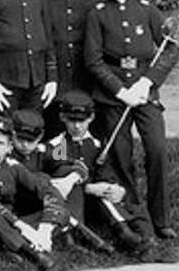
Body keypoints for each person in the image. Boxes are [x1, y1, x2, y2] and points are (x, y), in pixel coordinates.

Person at [83, 0, 179, 239]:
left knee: (157, 149)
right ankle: (135, 215)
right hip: (112, 96)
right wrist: (119, 90)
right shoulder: (97, 14)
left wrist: (148, 81)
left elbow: (170, 49)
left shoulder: (147, 10)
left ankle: (160, 218)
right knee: (121, 156)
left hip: (144, 93)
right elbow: (93, 60)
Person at [44, 90, 170, 258]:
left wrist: (114, 188)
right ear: (62, 118)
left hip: (97, 200)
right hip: (74, 201)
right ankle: (130, 239)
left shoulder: (97, 144)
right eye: (72, 120)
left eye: (82, 120)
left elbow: (107, 171)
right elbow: (60, 174)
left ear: (91, 118)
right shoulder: (57, 146)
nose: (77, 126)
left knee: (126, 197)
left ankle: (147, 238)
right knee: (98, 196)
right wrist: (90, 188)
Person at [0, 113, 65, 271]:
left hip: (10, 224)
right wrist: (20, 225)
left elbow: (41, 188)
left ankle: (33, 241)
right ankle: (31, 253)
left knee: (50, 190)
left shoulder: (13, 165)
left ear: (9, 147)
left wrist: (45, 227)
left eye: (0, 143)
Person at [43, 0, 104, 136]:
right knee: (56, 131)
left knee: (90, 130)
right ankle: (57, 163)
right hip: (58, 79)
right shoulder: (44, 1)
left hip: (86, 78)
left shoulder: (95, 1)